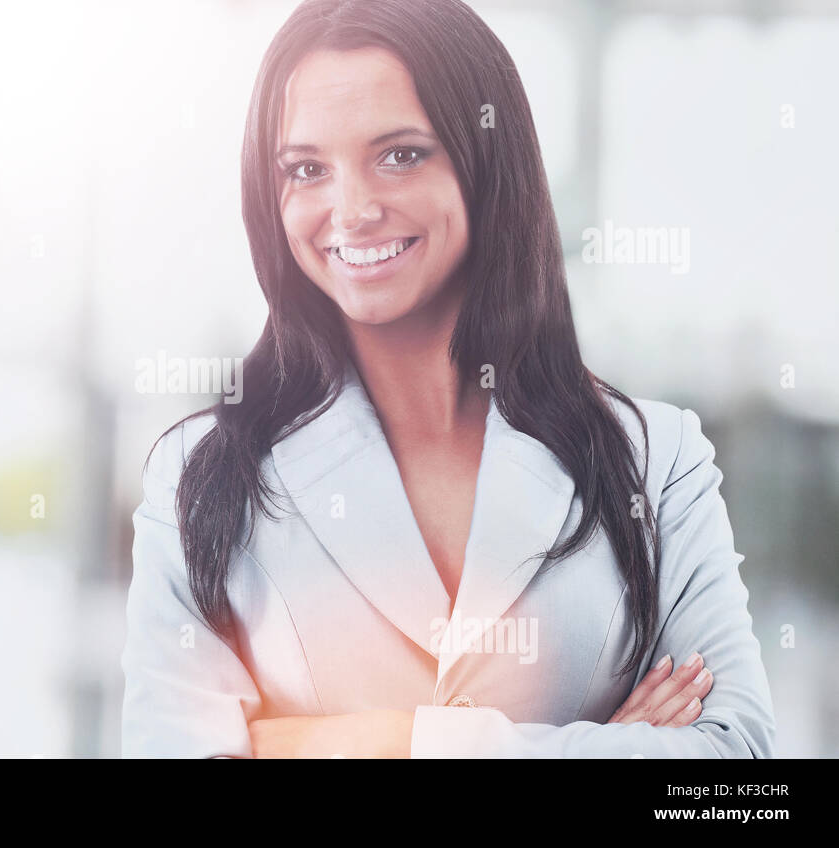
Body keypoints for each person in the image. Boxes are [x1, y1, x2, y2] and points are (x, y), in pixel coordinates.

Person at [120, 0, 775, 757]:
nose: (353, 209)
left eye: (400, 154)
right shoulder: (198, 477)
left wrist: (387, 743)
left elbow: (737, 781)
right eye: (306, 169)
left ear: (485, 161)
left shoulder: (658, 460)